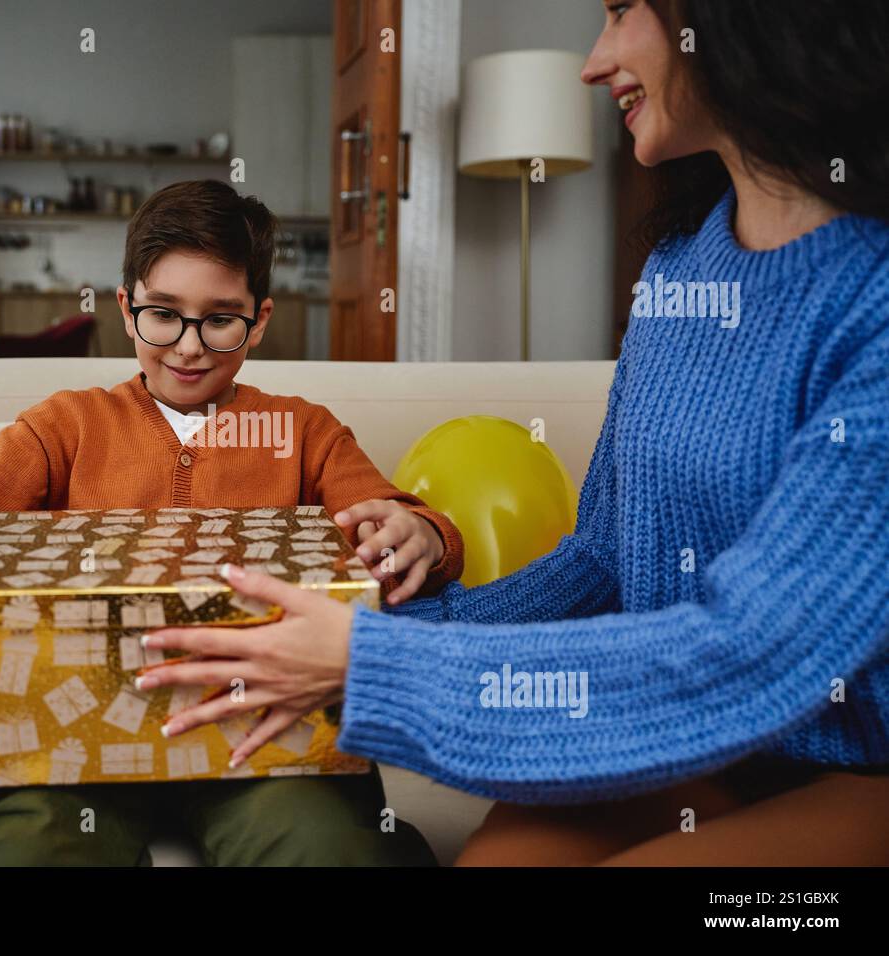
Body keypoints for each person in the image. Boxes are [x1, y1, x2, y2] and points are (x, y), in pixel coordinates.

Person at [139, 0, 889, 865]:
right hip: (691, 747)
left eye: (619, 13)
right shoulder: (679, 269)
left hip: (856, 772)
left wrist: (369, 663)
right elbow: (602, 560)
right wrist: (380, 632)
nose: (593, 61)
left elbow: (753, 652)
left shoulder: (867, 298)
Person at [0, 179, 464, 865]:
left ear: (259, 320)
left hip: (257, 720)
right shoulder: (65, 424)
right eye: (164, 314)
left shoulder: (306, 432)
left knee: (328, 847)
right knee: (22, 844)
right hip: (70, 722)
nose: (188, 346)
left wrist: (423, 533)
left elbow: (402, 522)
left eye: (221, 319)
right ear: (126, 307)